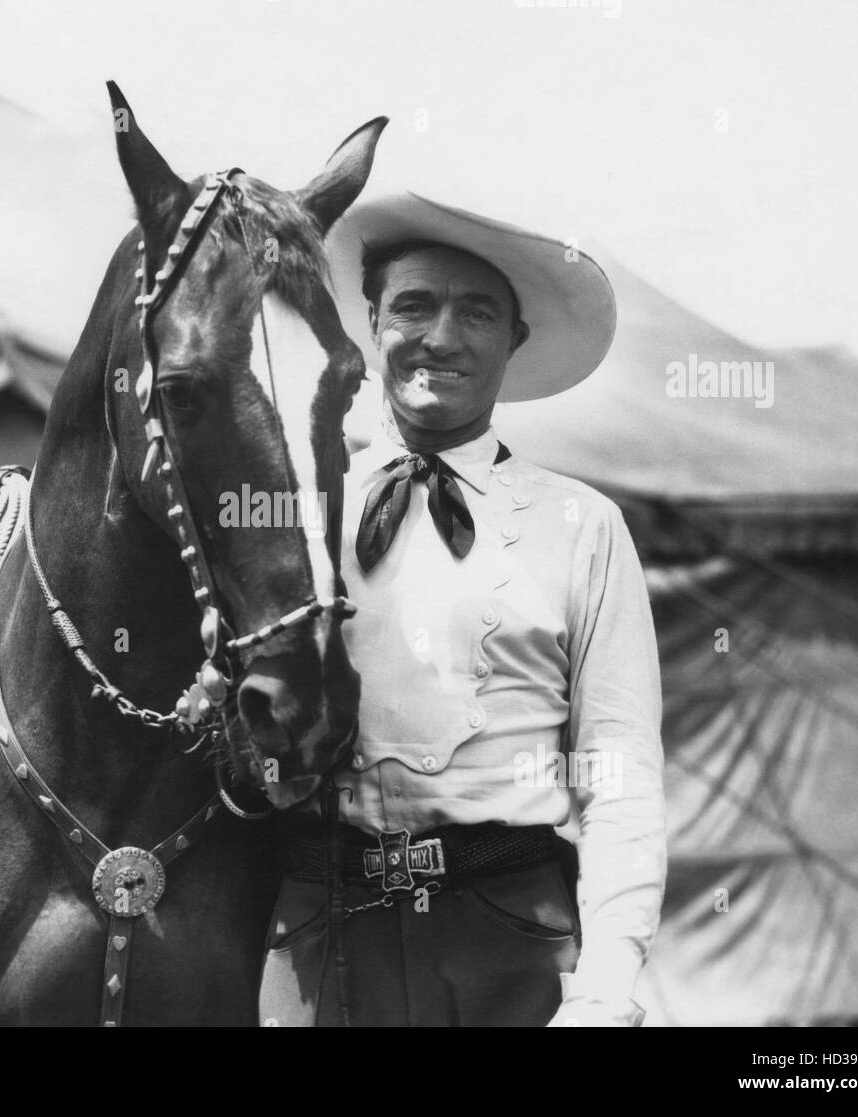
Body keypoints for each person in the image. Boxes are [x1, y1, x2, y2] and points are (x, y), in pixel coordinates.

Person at [258, 194, 667, 1027]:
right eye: (413, 305)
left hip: (510, 939)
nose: (440, 336)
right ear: (371, 321)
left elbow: (619, 776)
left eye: (476, 311)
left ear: (514, 340)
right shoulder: (294, 510)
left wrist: (605, 984)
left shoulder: (581, 527)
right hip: (317, 933)